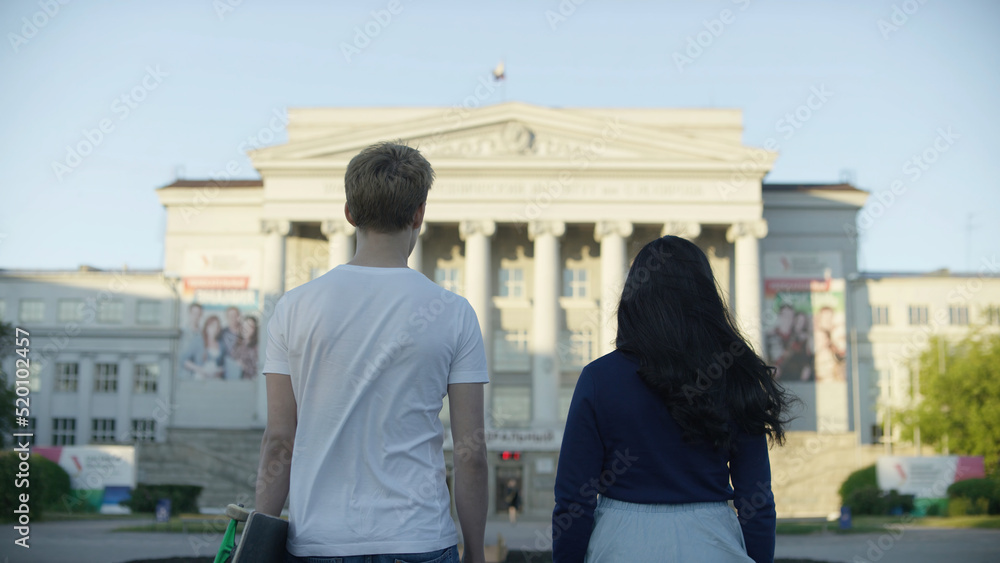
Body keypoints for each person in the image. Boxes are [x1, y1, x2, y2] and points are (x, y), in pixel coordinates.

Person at [256, 141, 490, 563]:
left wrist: (256, 544)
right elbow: (470, 451)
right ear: (419, 214)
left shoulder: (294, 307)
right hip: (420, 540)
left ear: (349, 213)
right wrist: (475, 551)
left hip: (319, 544)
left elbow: (279, 442)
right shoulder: (455, 313)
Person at [552, 236, 793, 563]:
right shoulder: (735, 374)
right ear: (705, 298)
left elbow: (574, 501)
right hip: (713, 540)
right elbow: (757, 501)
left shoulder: (599, 378)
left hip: (621, 541)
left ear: (634, 297)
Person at [181, 314, 225, 380]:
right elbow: (184, 360)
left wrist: (220, 370)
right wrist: (200, 369)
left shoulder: (221, 344)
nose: (215, 329)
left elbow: (223, 364)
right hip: (200, 379)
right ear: (207, 327)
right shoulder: (198, 341)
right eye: (212, 326)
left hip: (215, 380)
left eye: (217, 327)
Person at [230, 315, 259, 380]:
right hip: (236, 381)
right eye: (244, 326)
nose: (246, 329)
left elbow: (258, 371)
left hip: (250, 383)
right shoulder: (238, 345)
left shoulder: (256, 348)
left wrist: (244, 367)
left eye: (250, 327)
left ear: (255, 329)